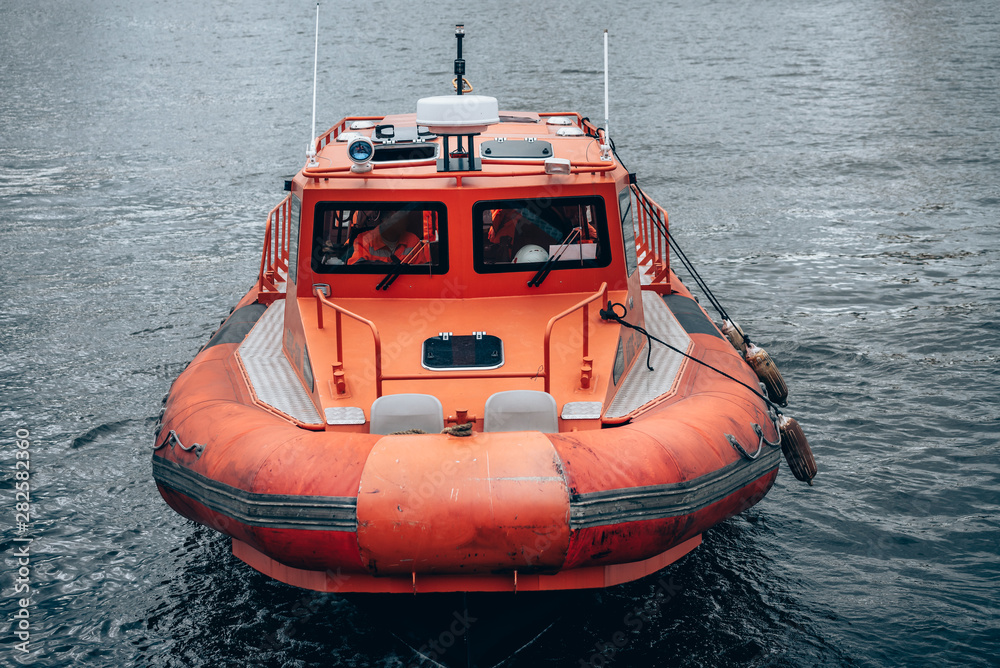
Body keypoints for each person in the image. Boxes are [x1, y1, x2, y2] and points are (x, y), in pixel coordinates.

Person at [348, 210, 430, 265]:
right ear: (384, 220)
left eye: (403, 220)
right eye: (396, 219)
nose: (401, 224)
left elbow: (421, 271)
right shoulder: (365, 239)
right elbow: (355, 265)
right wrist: (390, 267)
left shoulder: (413, 240)